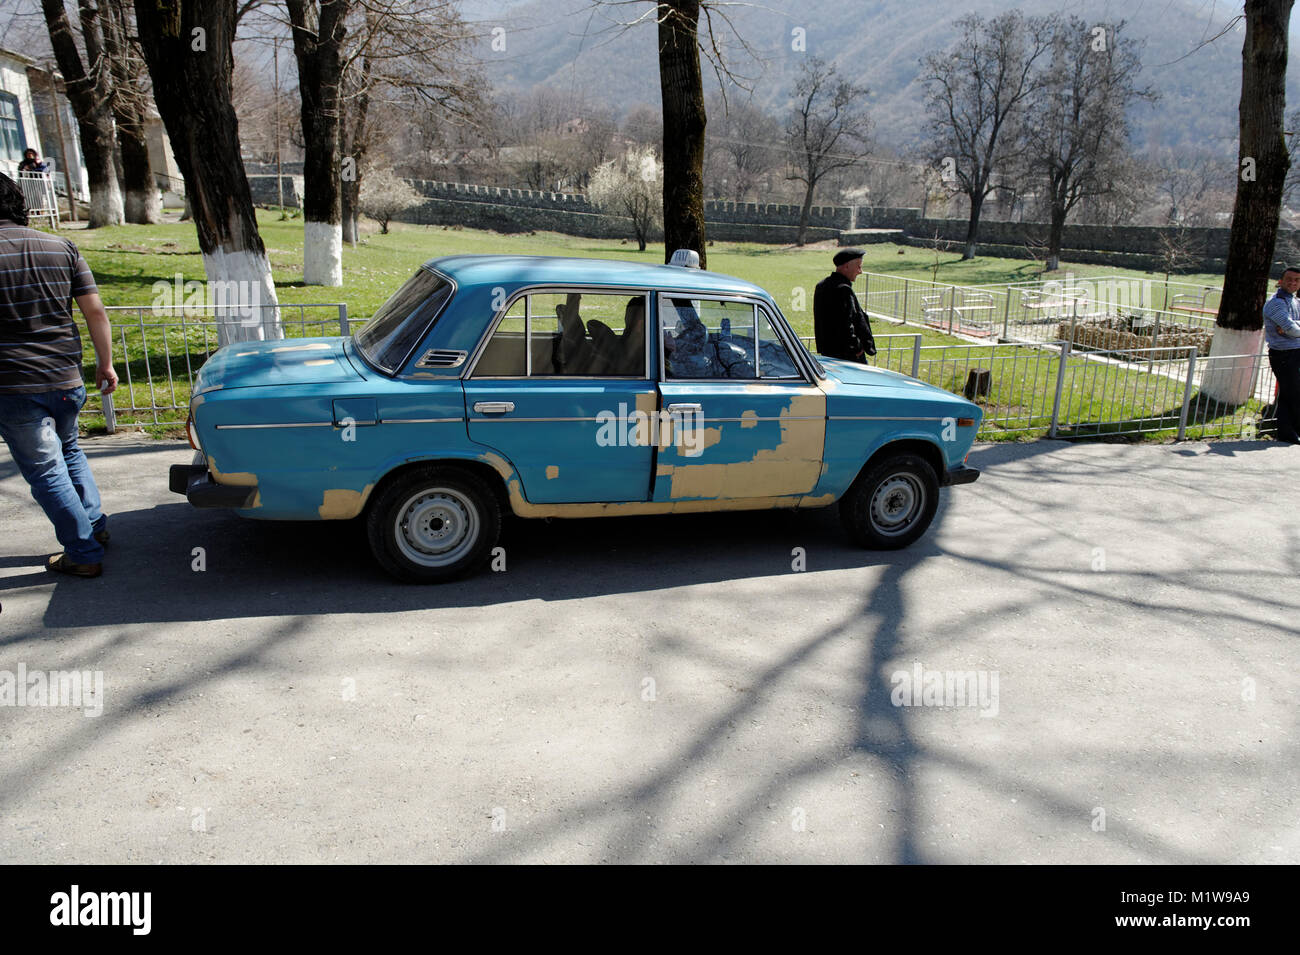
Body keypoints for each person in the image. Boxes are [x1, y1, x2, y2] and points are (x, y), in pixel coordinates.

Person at [0, 173, 117, 577]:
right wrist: (106, 363)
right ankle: (94, 528)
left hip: (12, 385)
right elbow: (95, 311)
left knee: (46, 469)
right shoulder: (61, 245)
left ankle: (83, 554)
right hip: (66, 377)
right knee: (68, 452)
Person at [813, 247, 876, 363]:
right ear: (847, 266)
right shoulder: (842, 289)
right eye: (859, 267)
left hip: (828, 351)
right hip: (847, 354)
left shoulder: (822, 285)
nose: (860, 271)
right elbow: (845, 323)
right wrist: (856, 348)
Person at [1263, 266, 1300, 444]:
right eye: (1289, 279)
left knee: (1289, 393)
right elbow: (1290, 329)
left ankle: (1290, 432)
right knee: (1292, 393)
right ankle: (1288, 432)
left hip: (1294, 352)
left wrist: (1292, 327)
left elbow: (1292, 328)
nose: (1293, 282)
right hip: (1284, 355)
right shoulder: (1276, 302)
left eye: (1297, 280)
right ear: (1281, 280)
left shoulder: (1293, 301)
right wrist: (1290, 327)